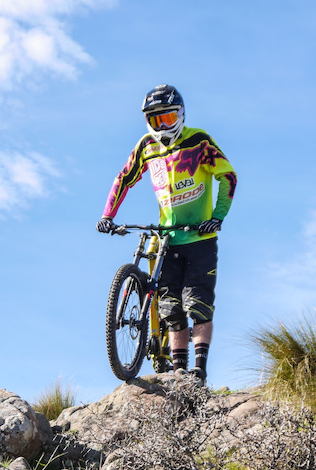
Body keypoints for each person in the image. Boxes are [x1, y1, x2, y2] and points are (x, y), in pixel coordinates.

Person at [97, 84, 236, 384]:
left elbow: (228, 176)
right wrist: (108, 216)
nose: (162, 126)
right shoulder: (147, 146)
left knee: (197, 303)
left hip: (199, 237)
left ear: (181, 115)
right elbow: (124, 178)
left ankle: (199, 370)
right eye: (155, 120)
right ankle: (178, 371)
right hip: (167, 240)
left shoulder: (199, 141)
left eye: (168, 118)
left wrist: (217, 217)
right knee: (171, 308)